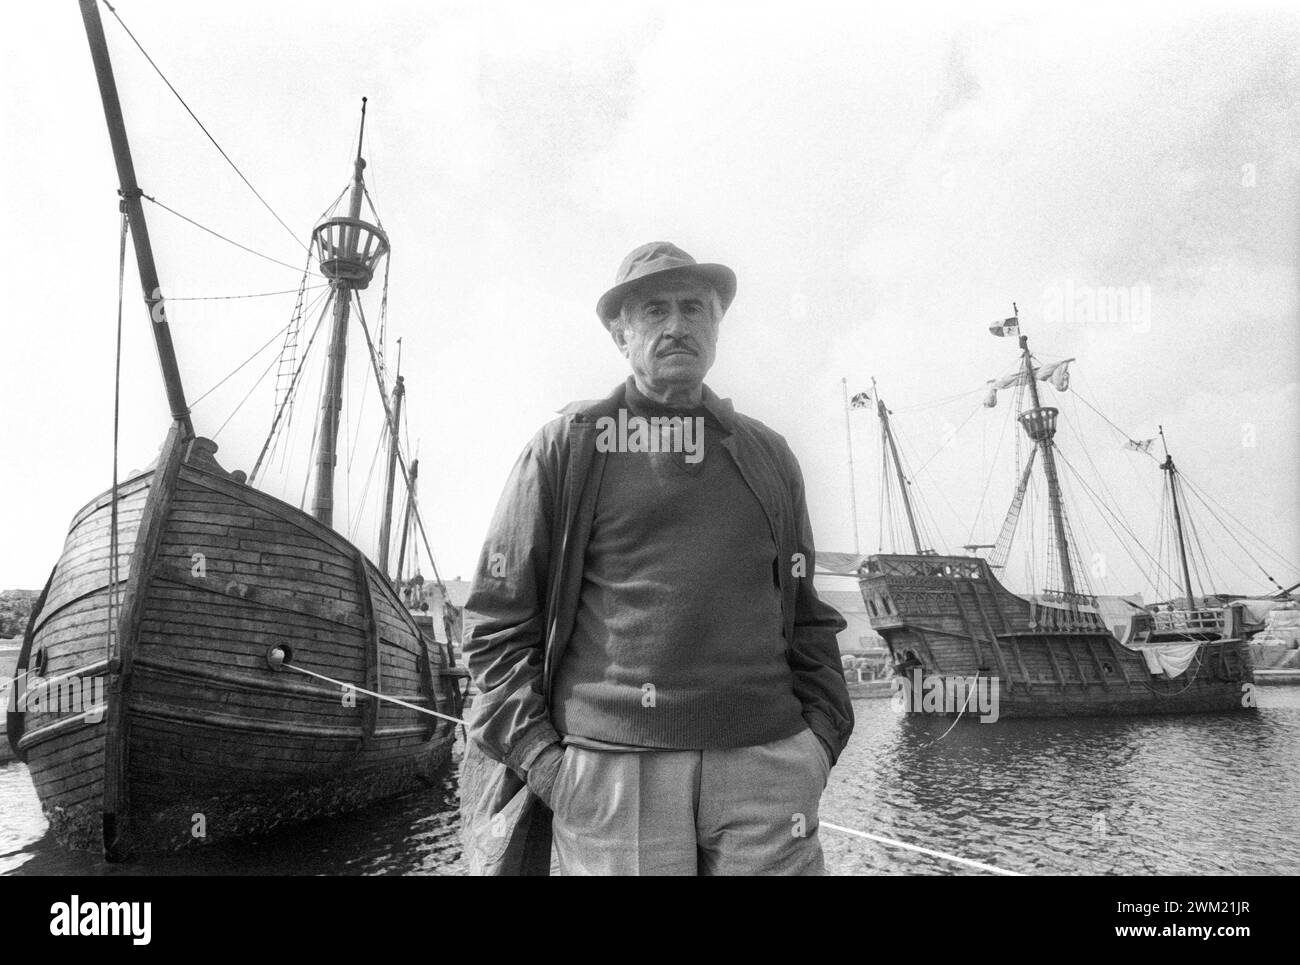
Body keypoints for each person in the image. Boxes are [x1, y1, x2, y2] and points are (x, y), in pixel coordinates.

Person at [458, 241, 853, 875]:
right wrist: (546, 765)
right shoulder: (567, 450)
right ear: (620, 333)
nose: (677, 326)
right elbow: (494, 624)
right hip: (614, 777)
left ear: (717, 326)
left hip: (770, 767)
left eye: (695, 308)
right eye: (653, 311)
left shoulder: (768, 455)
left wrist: (820, 741)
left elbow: (807, 614)